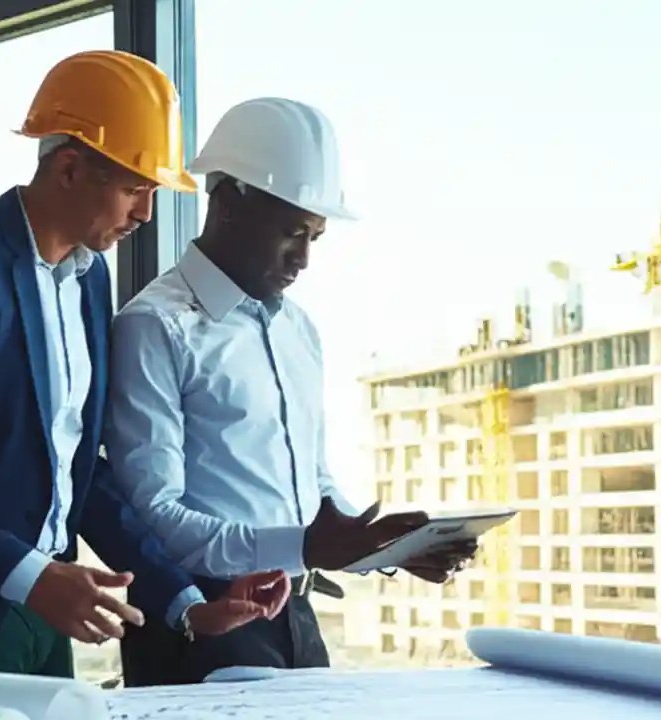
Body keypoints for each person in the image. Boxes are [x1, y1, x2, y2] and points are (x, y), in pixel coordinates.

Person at [0, 52, 290, 677]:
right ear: (68, 169)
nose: (144, 213)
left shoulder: (90, 284)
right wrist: (30, 576)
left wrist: (184, 600)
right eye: (134, 187)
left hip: (42, 615)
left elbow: (77, 468)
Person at [107, 97, 478, 686]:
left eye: (316, 237)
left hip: (298, 616)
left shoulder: (296, 329)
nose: (304, 258)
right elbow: (154, 516)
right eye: (291, 232)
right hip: (200, 621)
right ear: (227, 205)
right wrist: (302, 546)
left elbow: (313, 484)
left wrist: (388, 547)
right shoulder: (154, 326)